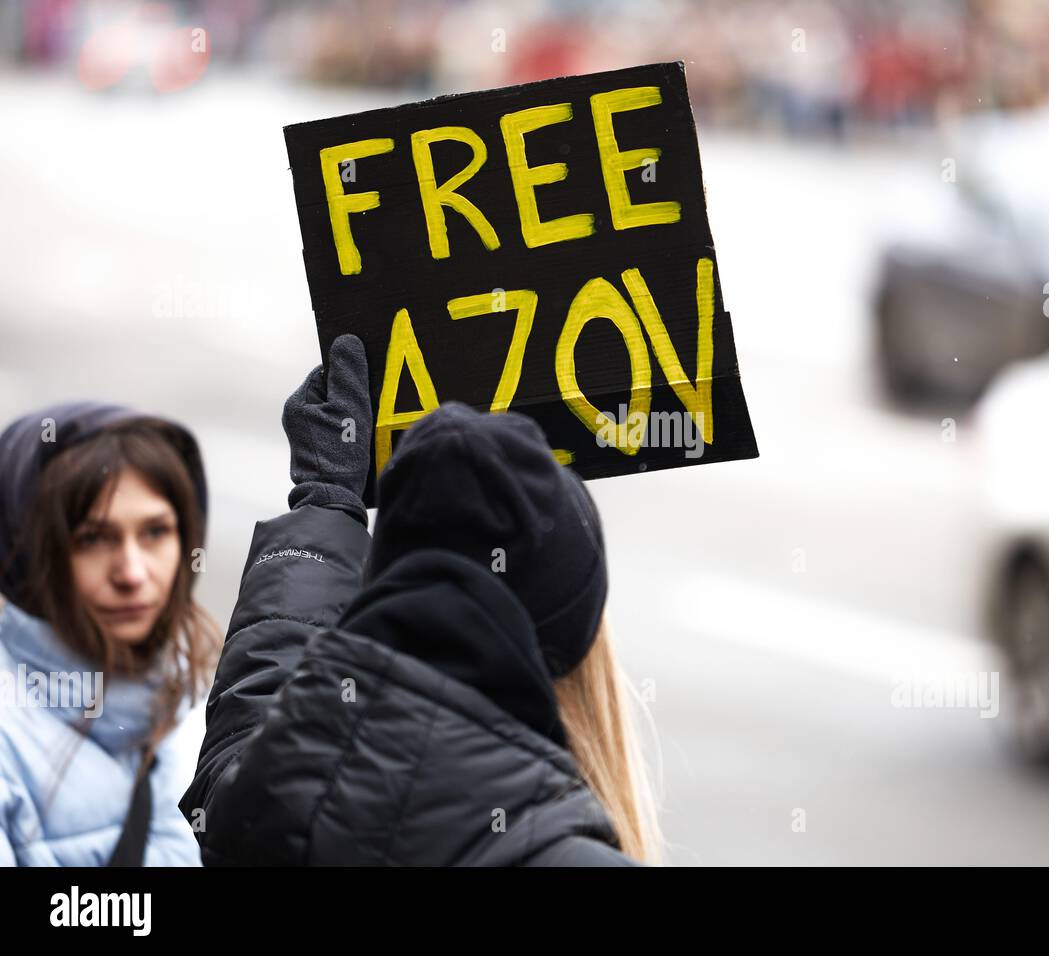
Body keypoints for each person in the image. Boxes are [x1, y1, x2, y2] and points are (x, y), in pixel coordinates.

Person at [181, 335, 661, 865]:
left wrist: (324, 502)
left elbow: (255, 700)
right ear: (575, 649)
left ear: (383, 586)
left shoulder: (253, 795)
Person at [0, 404, 219, 866]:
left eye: (156, 532)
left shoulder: (202, 696)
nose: (132, 573)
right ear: (29, 555)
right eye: (94, 539)